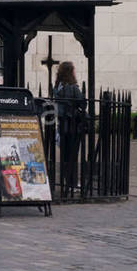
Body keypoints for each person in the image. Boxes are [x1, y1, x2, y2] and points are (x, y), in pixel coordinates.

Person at [52, 61, 87, 196]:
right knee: (73, 154)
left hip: (62, 125)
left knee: (65, 155)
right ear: (70, 72)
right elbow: (83, 104)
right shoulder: (72, 87)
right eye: (74, 70)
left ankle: (66, 181)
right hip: (73, 125)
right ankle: (72, 184)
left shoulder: (57, 87)